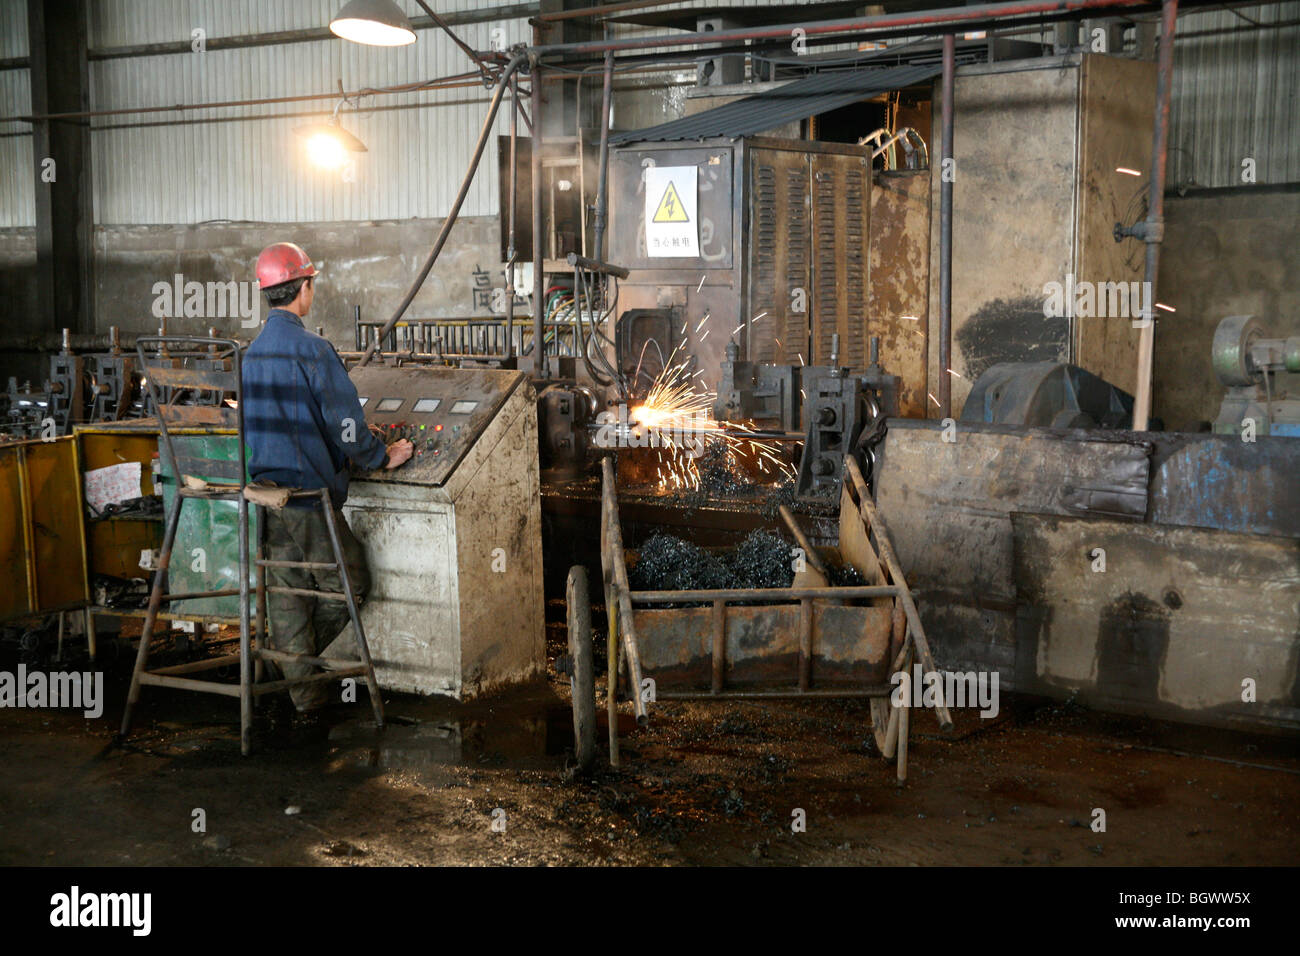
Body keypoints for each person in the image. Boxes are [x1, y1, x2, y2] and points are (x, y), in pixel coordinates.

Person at [241, 241, 413, 716]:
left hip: (266, 497)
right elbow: (347, 427)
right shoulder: (313, 351)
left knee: (288, 594)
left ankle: (302, 691)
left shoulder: (251, 355)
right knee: (350, 581)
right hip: (308, 498)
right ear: (306, 288)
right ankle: (306, 677)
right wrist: (382, 456)